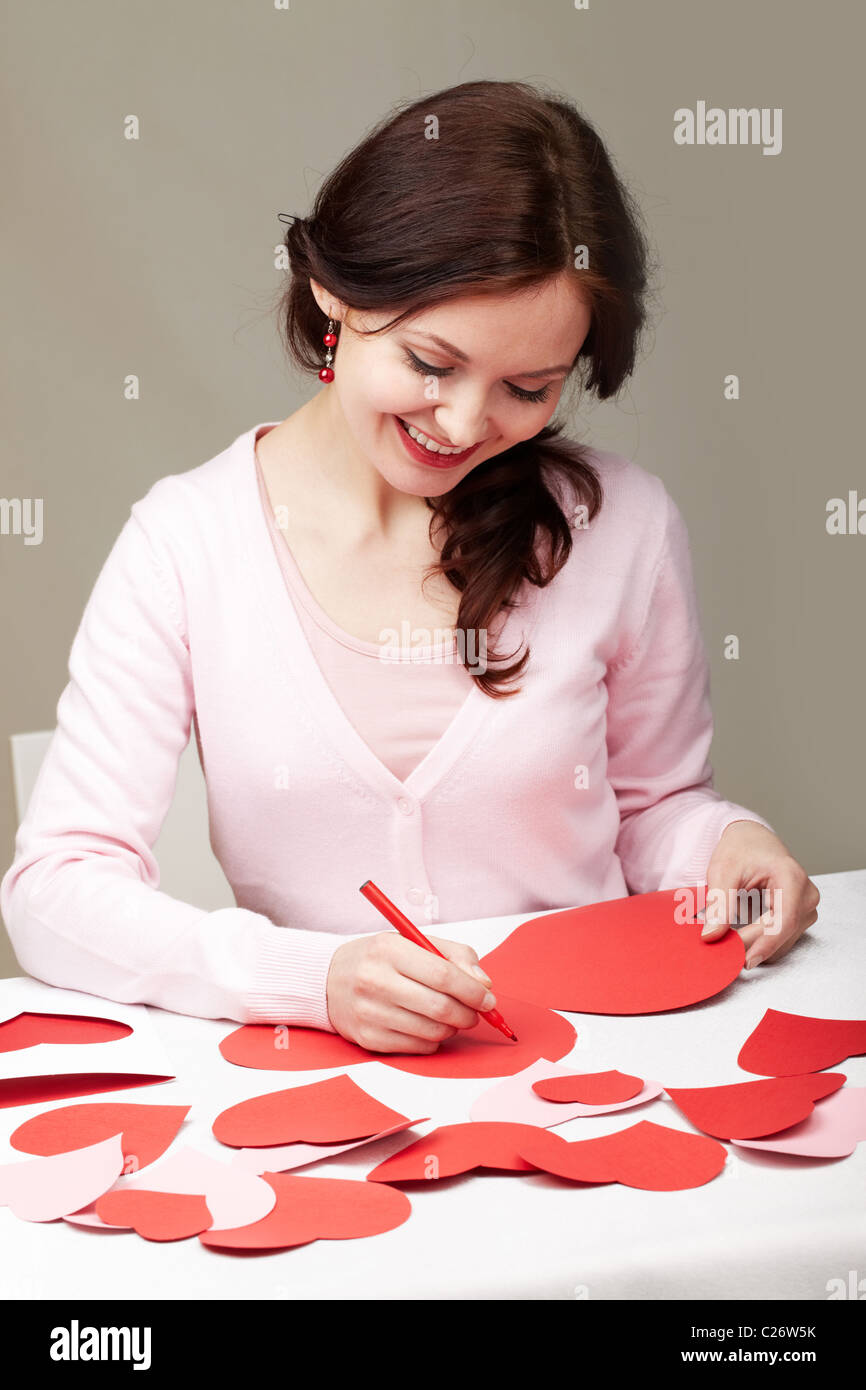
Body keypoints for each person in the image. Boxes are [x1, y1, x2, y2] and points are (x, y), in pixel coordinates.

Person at [0, 80, 819, 1054]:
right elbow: (56, 891)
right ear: (334, 291)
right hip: (332, 1108)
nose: (468, 425)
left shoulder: (620, 527)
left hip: (603, 1071)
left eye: (527, 387)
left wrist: (724, 846)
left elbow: (656, 808)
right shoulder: (185, 545)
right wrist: (308, 978)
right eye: (431, 363)